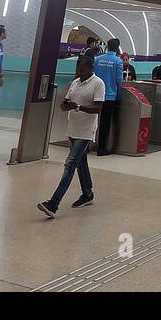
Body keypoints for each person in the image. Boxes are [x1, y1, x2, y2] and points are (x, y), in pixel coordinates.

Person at [37, 53, 105, 217]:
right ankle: (87, 194)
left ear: (90, 69)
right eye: (78, 70)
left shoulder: (98, 83)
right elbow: (64, 104)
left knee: (70, 165)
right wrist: (66, 105)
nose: (79, 73)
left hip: (85, 131)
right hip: (73, 129)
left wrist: (78, 107)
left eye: (82, 70)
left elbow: (98, 108)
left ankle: (53, 204)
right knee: (81, 162)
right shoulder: (75, 82)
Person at [93, 38, 123, 155]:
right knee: (105, 122)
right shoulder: (118, 61)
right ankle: (102, 148)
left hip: (96, 94)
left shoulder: (98, 59)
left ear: (107, 46)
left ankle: (87, 146)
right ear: (117, 48)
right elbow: (119, 80)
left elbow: (93, 75)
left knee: (93, 119)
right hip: (110, 96)